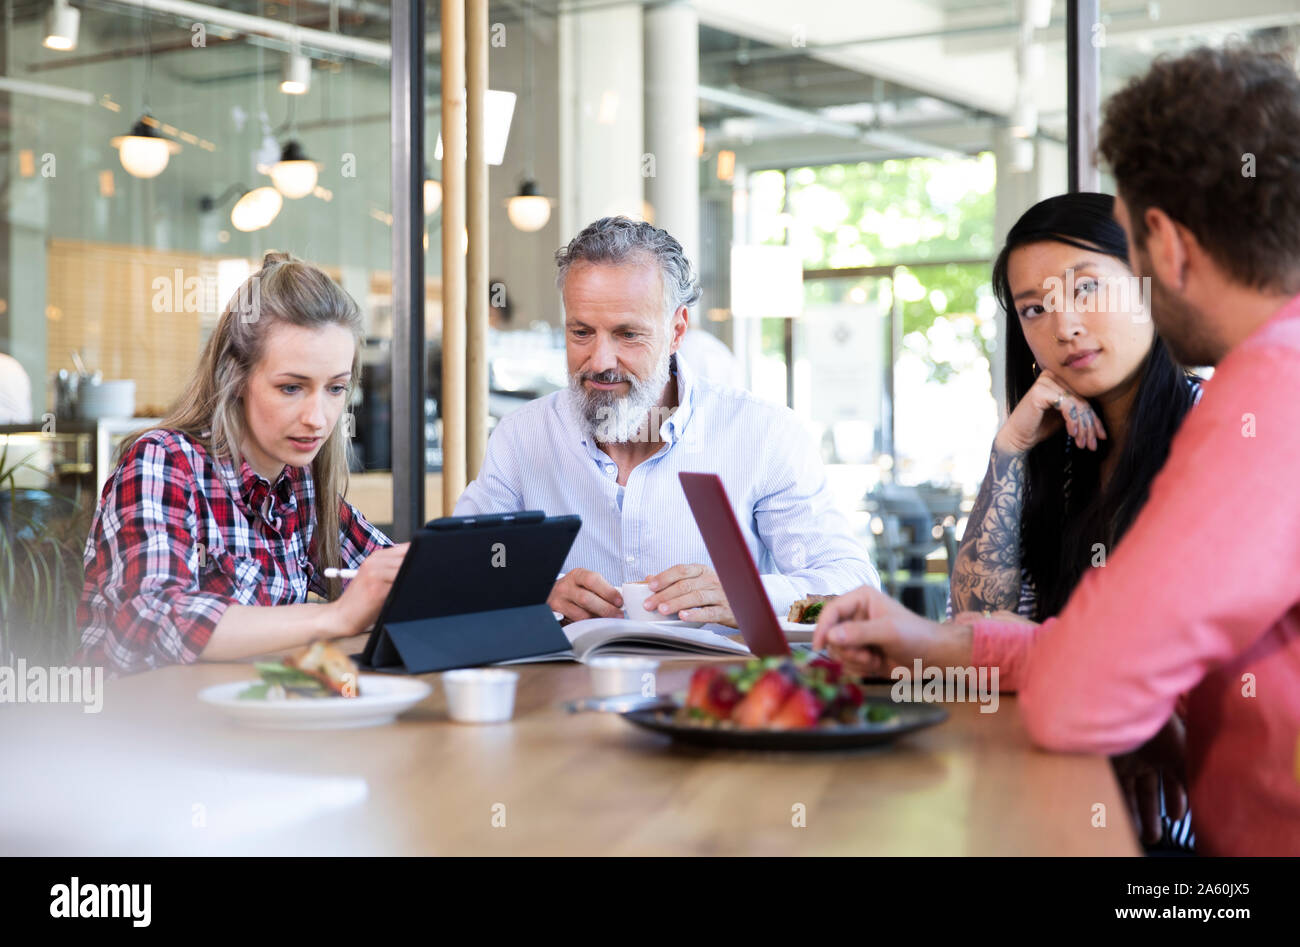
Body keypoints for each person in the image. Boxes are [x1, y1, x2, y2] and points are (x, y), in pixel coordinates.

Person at [814, 46, 1300, 856]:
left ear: (1163, 246)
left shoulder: (1265, 397)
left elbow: (1080, 693)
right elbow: (1107, 653)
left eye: (1100, 277)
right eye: (1037, 306)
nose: (1066, 322)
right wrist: (941, 642)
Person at [456, 216, 877, 625]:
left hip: (716, 692)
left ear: (677, 331)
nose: (601, 362)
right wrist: (535, 589)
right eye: (581, 333)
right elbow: (458, 566)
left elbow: (855, 591)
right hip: (566, 691)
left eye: (627, 335)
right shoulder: (522, 437)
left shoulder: (763, 435)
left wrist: (744, 593)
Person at [76, 253, 407, 675]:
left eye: (336, 388)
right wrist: (334, 617)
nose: (318, 418)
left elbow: (394, 584)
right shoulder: (163, 462)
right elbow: (155, 619)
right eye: (291, 387)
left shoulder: (299, 482)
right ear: (235, 379)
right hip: (133, 729)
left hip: (245, 723)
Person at [950, 192, 1201, 622]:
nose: (1065, 327)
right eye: (1035, 308)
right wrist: (1009, 450)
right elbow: (978, 623)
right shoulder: (1055, 453)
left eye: (1085, 288)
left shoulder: (1219, 428)